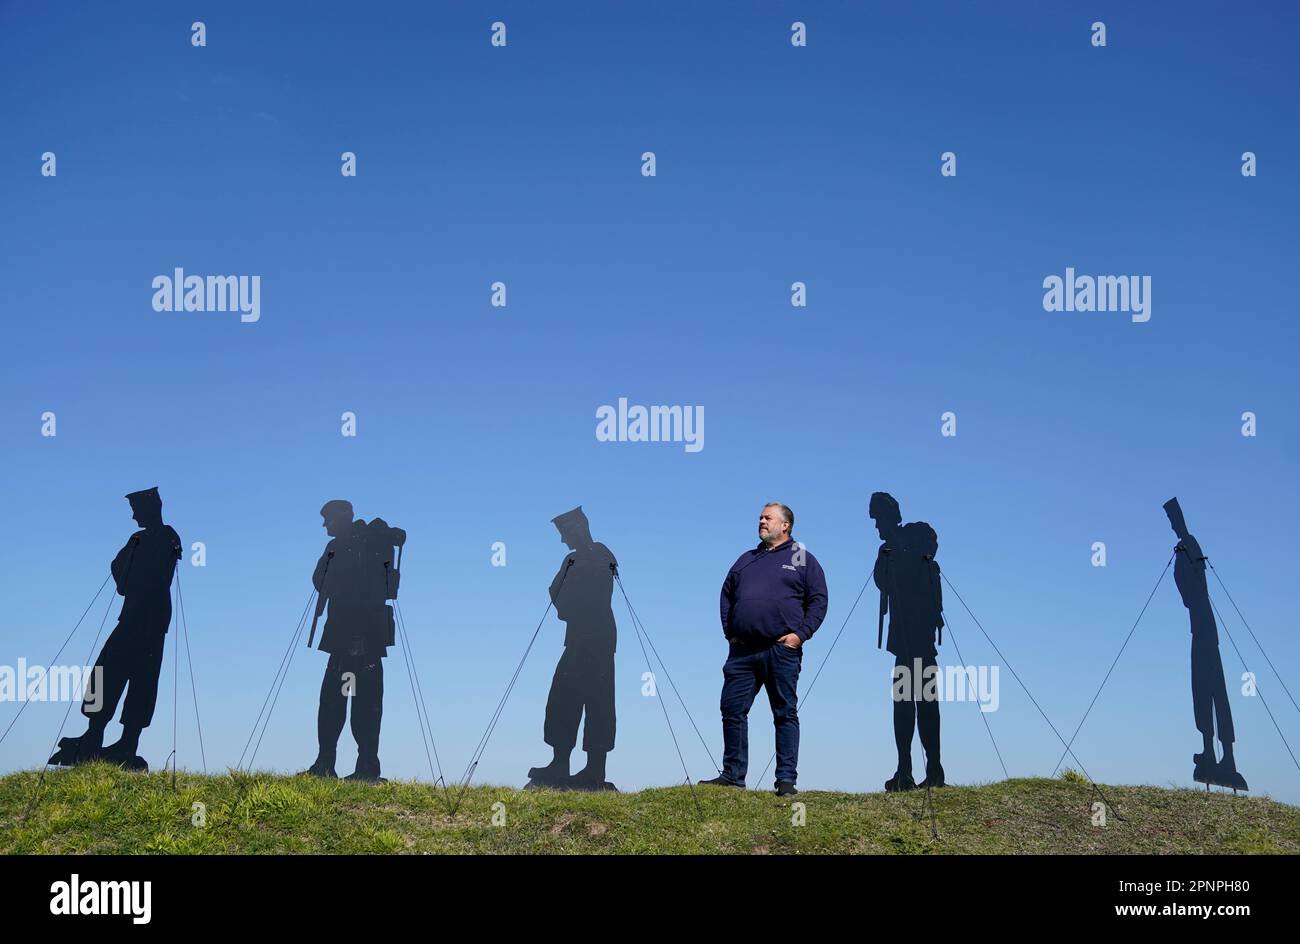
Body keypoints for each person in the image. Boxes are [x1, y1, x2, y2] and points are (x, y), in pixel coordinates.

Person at [50, 487, 181, 770]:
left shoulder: (160, 537)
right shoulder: (150, 538)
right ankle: (96, 735)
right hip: (143, 618)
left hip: (144, 620)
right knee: (107, 673)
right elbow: (122, 568)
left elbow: (127, 571)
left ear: (149, 508)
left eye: (136, 509)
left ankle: (124, 741)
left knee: (137, 680)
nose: (133, 516)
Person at [703, 502, 827, 797]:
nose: (761, 521)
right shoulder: (746, 559)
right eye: (760, 517)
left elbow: (819, 601)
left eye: (767, 517)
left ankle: (785, 780)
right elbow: (726, 595)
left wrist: (800, 635)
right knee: (732, 710)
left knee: (784, 713)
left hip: (780, 650)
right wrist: (730, 633)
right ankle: (733, 775)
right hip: (742, 652)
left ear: (785, 525)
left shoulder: (802, 559)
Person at [303, 500, 405, 782]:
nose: (325, 525)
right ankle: (362, 766)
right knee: (359, 703)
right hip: (364, 637)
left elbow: (320, 580)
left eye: (328, 519)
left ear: (341, 518)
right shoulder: (367, 542)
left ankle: (340, 765)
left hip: (349, 636)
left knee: (341, 702)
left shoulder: (347, 545)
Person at [527, 506, 619, 791]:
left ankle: (594, 769)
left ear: (580, 528)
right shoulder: (572, 559)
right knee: (562, 697)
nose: (564, 540)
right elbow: (555, 590)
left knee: (598, 702)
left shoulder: (600, 553)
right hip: (577, 638)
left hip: (598, 641)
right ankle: (559, 763)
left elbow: (596, 589)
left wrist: (571, 604)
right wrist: (568, 608)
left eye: (566, 533)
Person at [1164, 497, 1247, 791]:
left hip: (1203, 631)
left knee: (1209, 691)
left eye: (1175, 523)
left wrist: (1180, 561)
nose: (1175, 528)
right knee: (1208, 692)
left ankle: (1222, 755)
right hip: (1202, 629)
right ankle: (1213, 753)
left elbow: (1190, 588)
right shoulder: (1188, 547)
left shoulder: (1190, 544)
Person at [871, 492, 945, 792]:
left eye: (879, 520)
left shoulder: (915, 534)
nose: (877, 527)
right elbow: (881, 581)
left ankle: (934, 769)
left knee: (924, 701)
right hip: (903, 640)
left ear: (890, 517)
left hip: (921, 637)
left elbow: (930, 545)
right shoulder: (886, 550)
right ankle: (905, 768)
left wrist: (898, 552)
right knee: (904, 703)